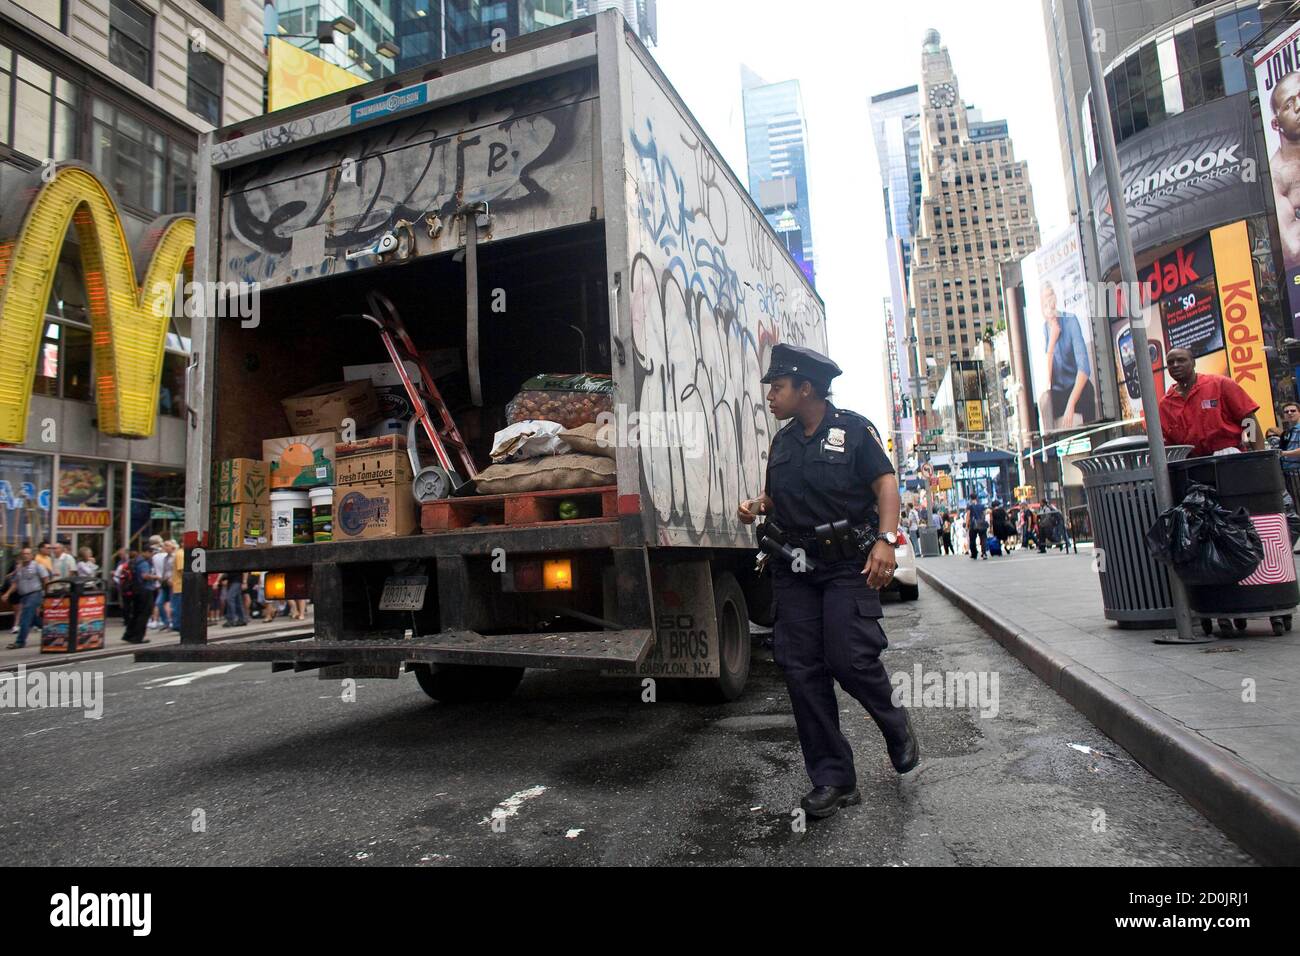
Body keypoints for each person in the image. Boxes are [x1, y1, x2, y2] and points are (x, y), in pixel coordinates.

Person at [737, 343, 918, 821]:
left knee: (849, 658)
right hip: (793, 566)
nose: (771, 396)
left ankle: (895, 724)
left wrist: (886, 540)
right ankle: (834, 779)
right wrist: (759, 504)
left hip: (846, 567)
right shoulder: (784, 442)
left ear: (806, 388)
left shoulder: (854, 430)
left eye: (777, 387)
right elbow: (781, 497)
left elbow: (885, 484)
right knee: (801, 669)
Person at [1157, 348, 1264, 457]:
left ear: (1193, 363)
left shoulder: (1221, 384)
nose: (1175, 365)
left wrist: (1260, 456)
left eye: (1181, 360)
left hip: (1229, 457)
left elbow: (1249, 420)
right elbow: (1168, 445)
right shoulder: (1165, 405)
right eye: (1170, 363)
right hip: (1192, 465)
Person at [1038, 280, 1097, 430]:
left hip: (1076, 387)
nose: (1049, 304)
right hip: (1059, 392)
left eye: (1050, 297)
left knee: (1088, 389)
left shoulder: (1070, 321)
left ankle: (1095, 439)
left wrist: (1071, 404)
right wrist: (1051, 342)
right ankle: (1050, 446)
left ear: (1055, 298)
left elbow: (1084, 369)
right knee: (1045, 400)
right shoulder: (1045, 329)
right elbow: (1047, 381)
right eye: (1044, 301)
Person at [1268, 70, 1300, 271]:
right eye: (1289, 105)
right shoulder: (1277, 177)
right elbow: (1294, 249)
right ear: (1275, 124)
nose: (1299, 106)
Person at [3, 547, 50, 649]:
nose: (25, 555)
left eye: (28, 554)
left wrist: (46, 595)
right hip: (23, 596)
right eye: (24, 554)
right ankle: (50, 630)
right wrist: (7, 593)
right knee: (33, 619)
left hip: (34, 594)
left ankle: (20, 641)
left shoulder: (38, 566)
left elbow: (46, 580)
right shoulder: (19, 569)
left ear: (32, 556)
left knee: (25, 617)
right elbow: (15, 583)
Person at [124, 547, 157, 644]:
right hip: (145, 590)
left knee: (136, 613)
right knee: (144, 614)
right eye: (151, 553)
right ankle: (138, 637)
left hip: (136, 590)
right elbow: (145, 576)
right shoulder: (144, 563)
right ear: (146, 552)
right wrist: (156, 577)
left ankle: (129, 635)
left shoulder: (135, 561)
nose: (151, 556)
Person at [1274, 401, 1300, 505]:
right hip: (1288, 473)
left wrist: (1284, 453)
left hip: (1297, 471)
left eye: (1293, 410)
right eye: (1286, 411)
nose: (1289, 413)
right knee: (1295, 502)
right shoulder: (1287, 432)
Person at [167, 540, 183, 634]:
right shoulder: (181, 554)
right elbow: (182, 570)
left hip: (178, 585)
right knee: (179, 607)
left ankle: (177, 624)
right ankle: (177, 625)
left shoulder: (179, 553)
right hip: (180, 585)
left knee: (177, 606)